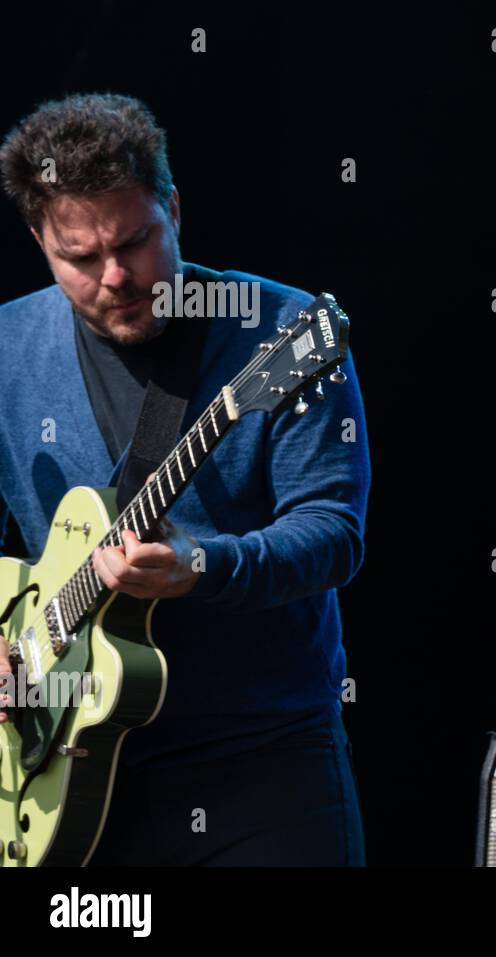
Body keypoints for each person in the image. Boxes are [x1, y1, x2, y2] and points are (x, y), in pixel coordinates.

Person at [0, 93, 368, 865]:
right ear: (39, 239)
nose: (115, 276)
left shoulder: (283, 331)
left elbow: (333, 534)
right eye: (78, 256)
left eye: (135, 241)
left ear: (173, 207)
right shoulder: (6, 348)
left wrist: (202, 566)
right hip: (60, 776)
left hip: (263, 766)